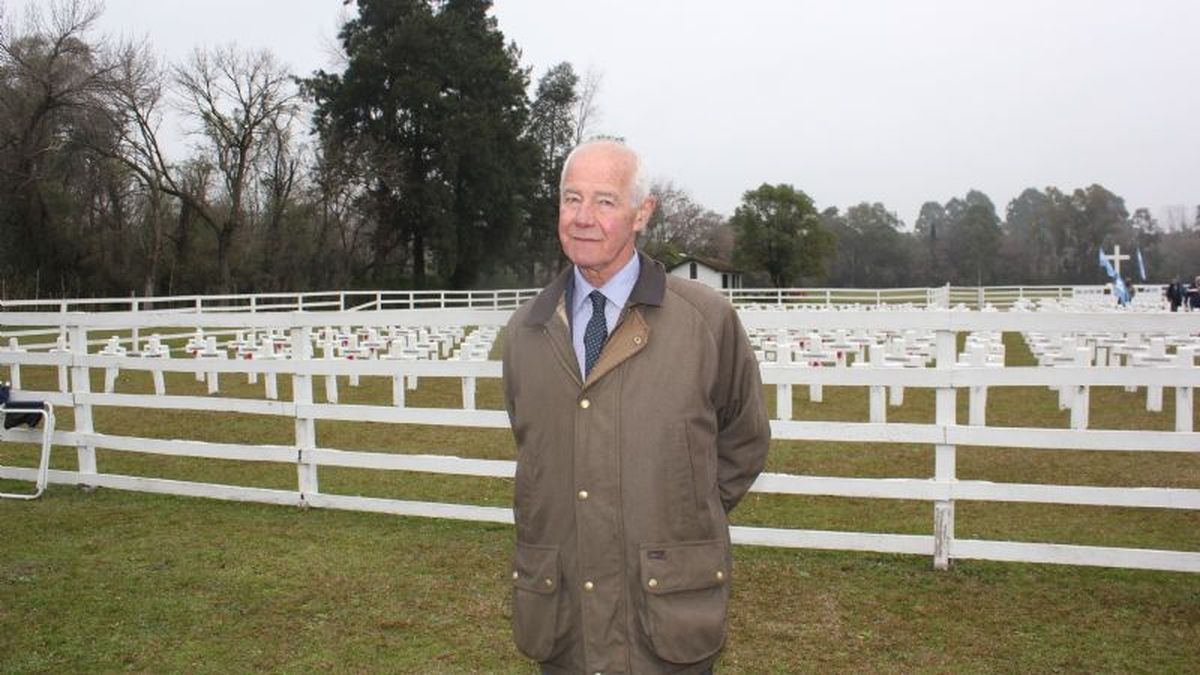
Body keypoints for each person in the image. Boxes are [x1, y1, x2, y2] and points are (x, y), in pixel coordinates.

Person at [502, 140, 770, 674]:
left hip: (665, 615)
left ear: (642, 213)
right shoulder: (526, 332)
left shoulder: (705, 321)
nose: (582, 218)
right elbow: (533, 444)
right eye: (570, 198)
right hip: (564, 620)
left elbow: (744, 440)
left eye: (604, 201)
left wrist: (683, 509)